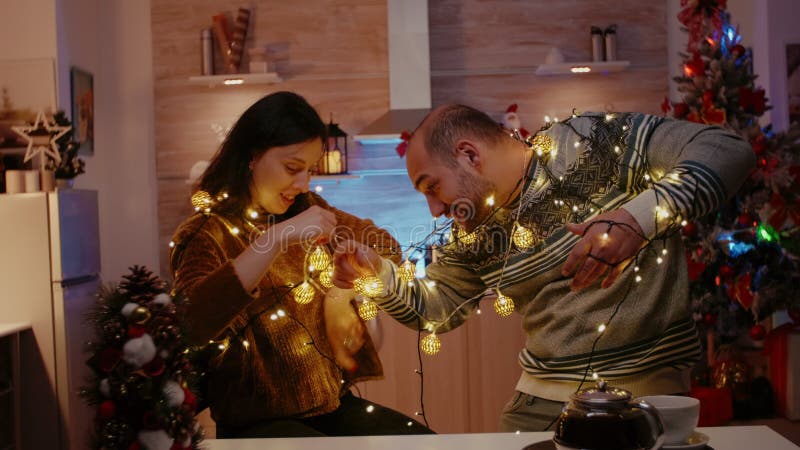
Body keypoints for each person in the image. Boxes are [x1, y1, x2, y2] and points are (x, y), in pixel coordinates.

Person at [332, 104, 755, 431]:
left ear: (468, 155)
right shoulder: (473, 230)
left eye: (432, 187)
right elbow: (434, 311)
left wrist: (637, 219)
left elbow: (728, 150)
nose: (436, 209)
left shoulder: (594, 140)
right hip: (536, 408)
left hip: (645, 400)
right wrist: (375, 275)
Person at [169, 91, 433, 438]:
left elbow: (386, 244)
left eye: (309, 170)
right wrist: (276, 238)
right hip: (256, 427)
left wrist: (346, 286)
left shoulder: (308, 209)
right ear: (251, 155)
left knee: (423, 444)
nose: (303, 184)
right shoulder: (207, 233)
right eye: (292, 168)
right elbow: (191, 323)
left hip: (333, 410)